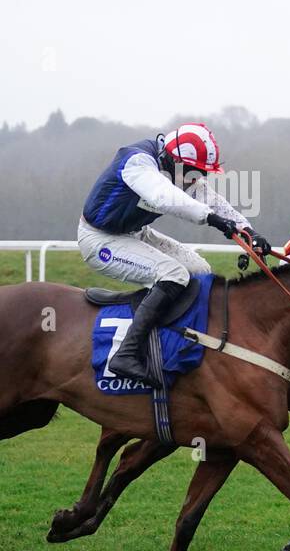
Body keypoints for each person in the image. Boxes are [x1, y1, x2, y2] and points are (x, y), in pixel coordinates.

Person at [80, 123, 270, 385]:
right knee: (173, 274)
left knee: (200, 271)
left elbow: (214, 203)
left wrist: (249, 233)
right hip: (100, 241)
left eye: (202, 173)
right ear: (174, 161)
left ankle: (181, 341)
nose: (198, 178)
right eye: (195, 172)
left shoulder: (179, 169)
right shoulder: (138, 163)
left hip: (134, 233)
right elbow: (164, 197)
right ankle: (127, 354)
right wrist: (210, 219)